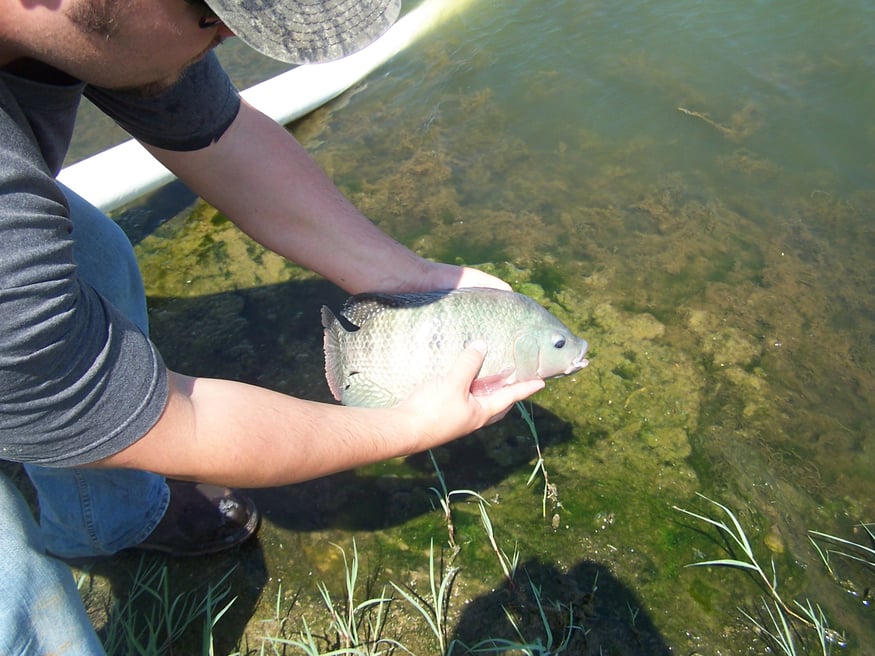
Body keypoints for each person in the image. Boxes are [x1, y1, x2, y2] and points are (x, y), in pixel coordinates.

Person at [0, 0, 545, 652]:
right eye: (210, 11)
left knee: (99, 258)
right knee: (25, 612)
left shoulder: (118, 27)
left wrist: (411, 275)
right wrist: (410, 426)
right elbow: (164, 419)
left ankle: (103, 520)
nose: (232, 35)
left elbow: (216, 133)